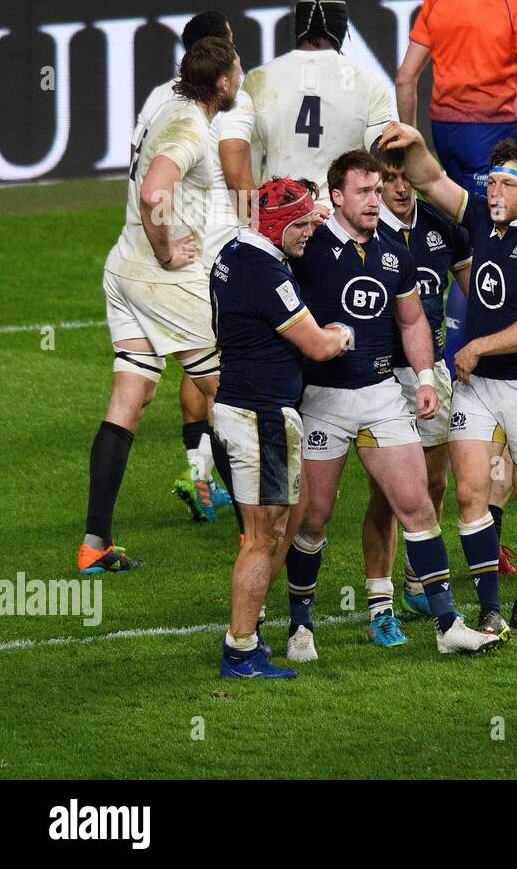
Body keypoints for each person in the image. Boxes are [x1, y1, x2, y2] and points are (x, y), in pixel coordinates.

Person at [282, 150, 499, 658]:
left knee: (419, 506)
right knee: (314, 518)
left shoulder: (392, 249)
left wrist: (424, 376)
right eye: (364, 192)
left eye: (377, 191)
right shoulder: (306, 246)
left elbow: (411, 321)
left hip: (382, 395)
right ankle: (300, 626)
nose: (375, 200)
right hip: (322, 401)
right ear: (335, 197)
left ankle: (447, 625)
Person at [373, 121, 517, 638]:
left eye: (506, 185)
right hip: (476, 385)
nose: (494, 192)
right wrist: (415, 143)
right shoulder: (482, 222)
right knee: (470, 495)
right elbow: (431, 179)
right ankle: (489, 608)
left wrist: (478, 345)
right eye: (491, 182)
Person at [79, 36, 242, 574]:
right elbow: (155, 193)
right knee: (229, 391)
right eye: (237, 70)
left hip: (121, 267)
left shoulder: (169, 105)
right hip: (159, 279)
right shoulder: (193, 126)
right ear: (222, 83)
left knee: (130, 396)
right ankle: (256, 533)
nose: (240, 77)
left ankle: (94, 544)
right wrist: (167, 247)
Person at [395, 0, 517, 380]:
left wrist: (410, 142)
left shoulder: (439, 0)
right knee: (487, 240)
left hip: (443, 132)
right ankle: (465, 352)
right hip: (493, 131)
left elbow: (406, 78)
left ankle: (425, 341)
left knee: (451, 228)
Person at [209, 177, 349, 678]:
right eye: (304, 221)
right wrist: (342, 333)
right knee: (261, 536)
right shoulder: (267, 272)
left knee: (297, 511)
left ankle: (248, 629)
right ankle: (242, 648)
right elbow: (315, 345)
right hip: (261, 415)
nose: (312, 229)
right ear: (275, 224)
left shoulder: (232, 253)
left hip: (241, 407)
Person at [134, 10, 243, 524]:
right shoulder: (213, 103)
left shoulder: (159, 97)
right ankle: (246, 490)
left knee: (196, 356)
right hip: (208, 240)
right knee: (223, 366)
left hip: (165, 243)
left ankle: (197, 473)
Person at [360, 143, 476, 621]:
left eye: (406, 175)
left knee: (434, 483)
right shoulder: (358, 233)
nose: (401, 186)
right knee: (387, 494)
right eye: (389, 178)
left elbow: (477, 289)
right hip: (376, 377)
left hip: (430, 373)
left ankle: (416, 582)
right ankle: (378, 594)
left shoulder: (440, 227)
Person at [220, 0, 393, 201]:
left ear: (298, 27)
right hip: (341, 218)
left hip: (281, 217)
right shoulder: (369, 82)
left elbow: (246, 169)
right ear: (344, 30)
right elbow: (382, 160)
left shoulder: (258, 79)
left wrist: (256, 218)